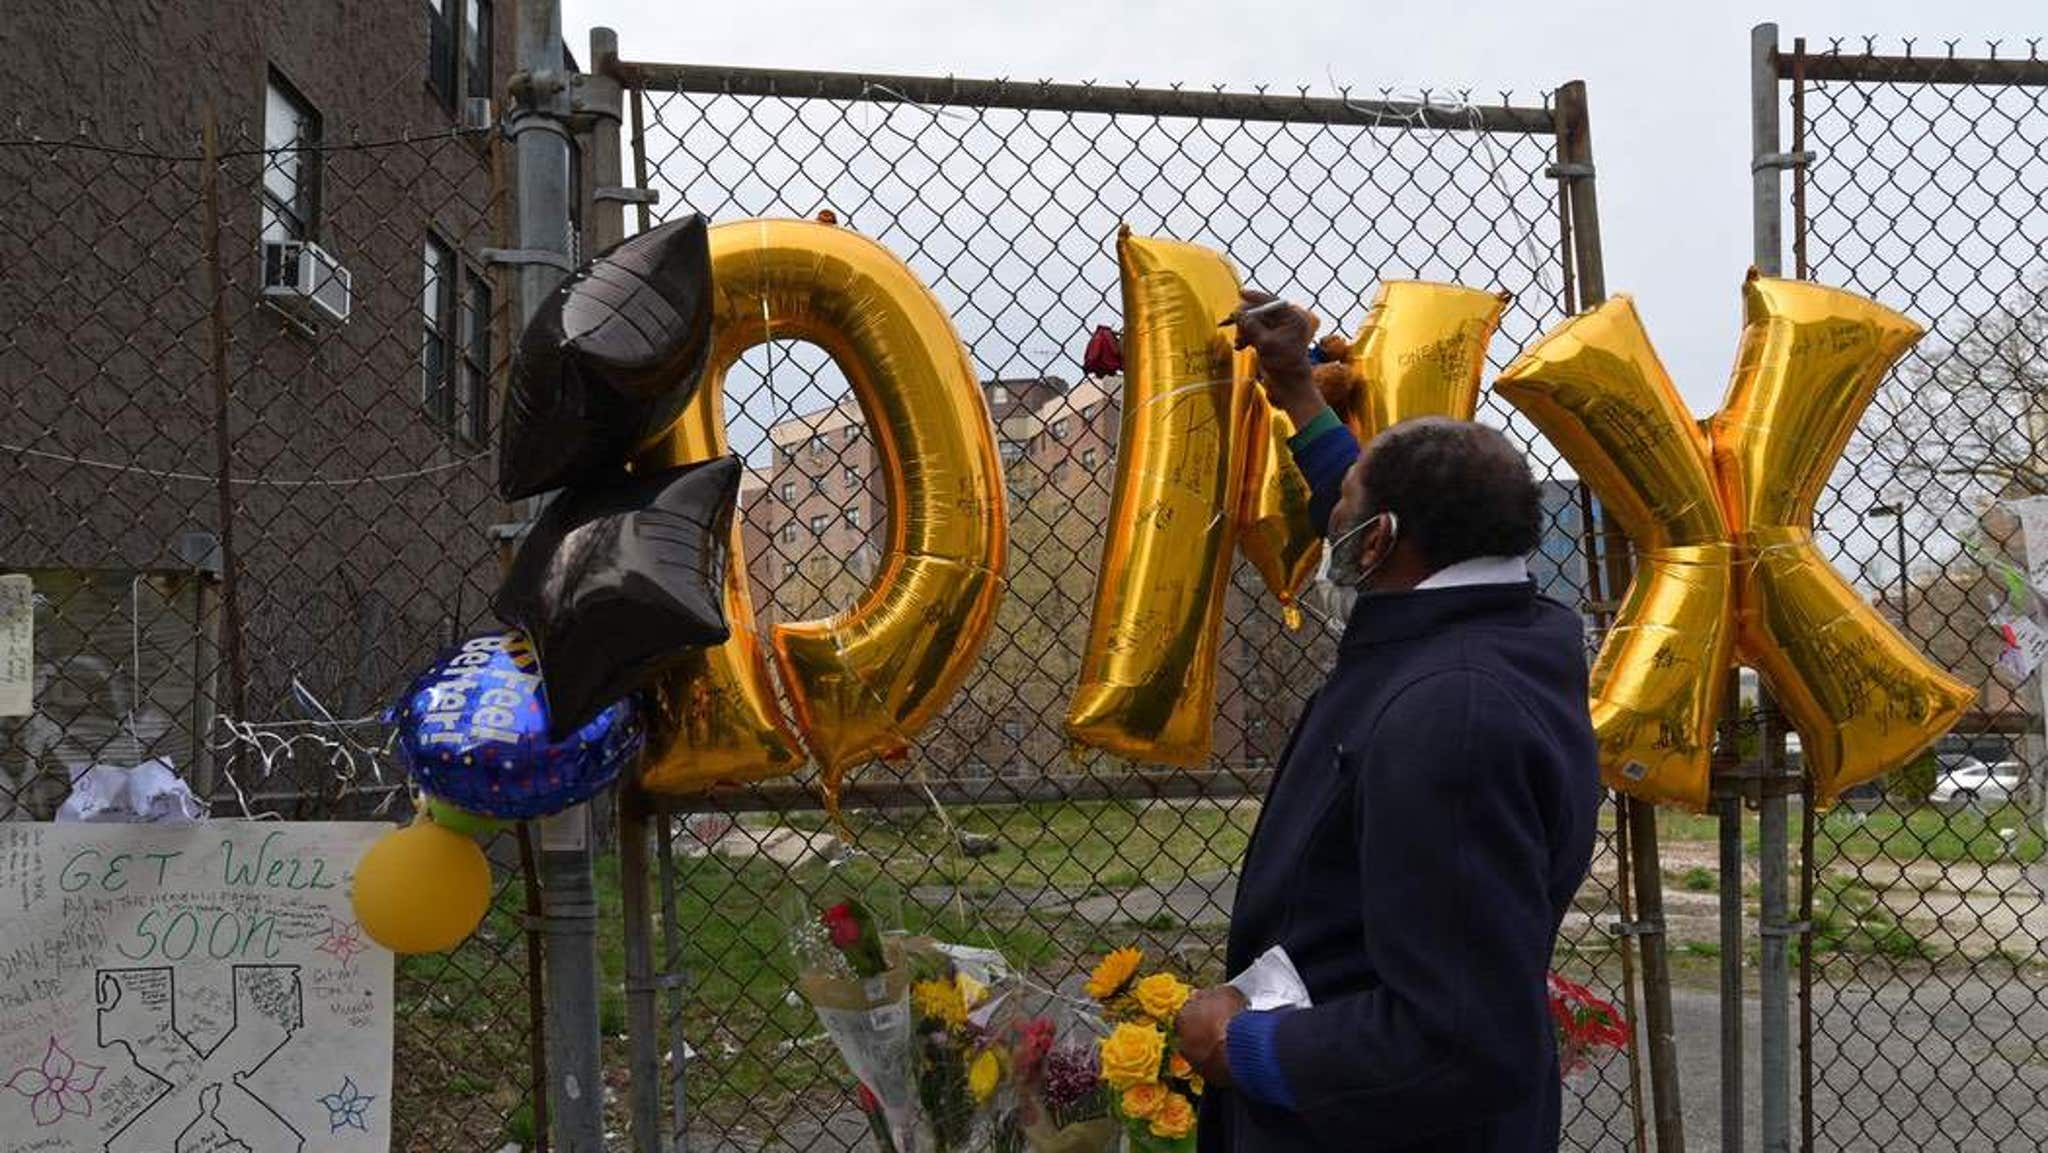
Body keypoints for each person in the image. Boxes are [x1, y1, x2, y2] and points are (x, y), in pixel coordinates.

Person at [1174, 291, 1602, 1152]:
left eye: (1342, 521)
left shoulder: (1453, 715)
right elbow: (1361, 492)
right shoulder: (1497, 630)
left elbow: (1458, 1039)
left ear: (1378, 543)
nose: (1327, 529)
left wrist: (1239, 1046)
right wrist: (1298, 391)